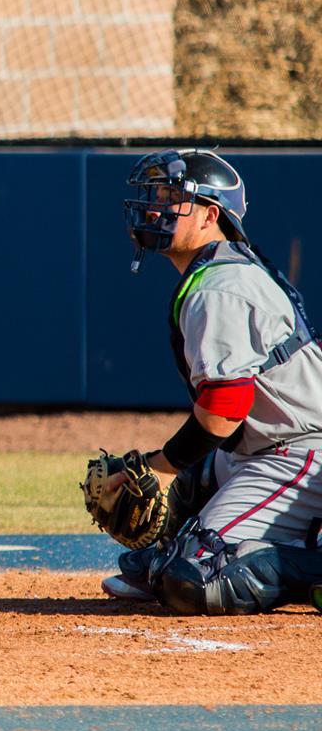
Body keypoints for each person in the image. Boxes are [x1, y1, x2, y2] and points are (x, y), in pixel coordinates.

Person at [93, 149, 322, 615]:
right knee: (195, 477)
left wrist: (156, 463)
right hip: (267, 445)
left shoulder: (220, 286)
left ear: (209, 215)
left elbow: (224, 408)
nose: (156, 207)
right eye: (155, 196)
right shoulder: (218, 271)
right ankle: (168, 554)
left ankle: (311, 567)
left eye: (172, 197)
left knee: (191, 580)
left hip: (300, 450)